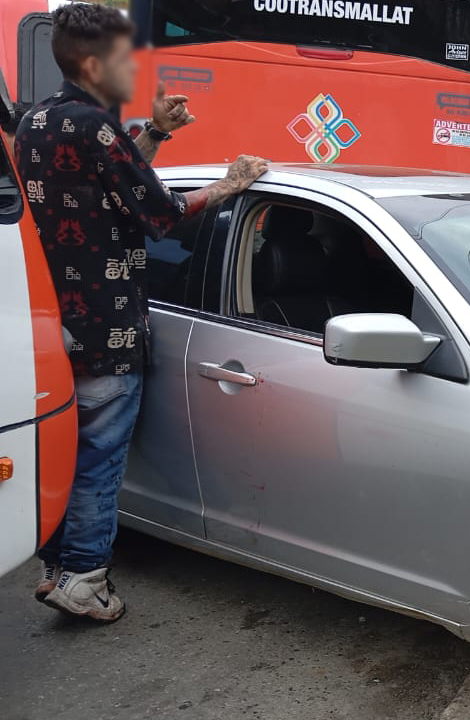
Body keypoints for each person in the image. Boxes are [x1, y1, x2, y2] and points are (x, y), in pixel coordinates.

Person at [14, 3, 268, 622]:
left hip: (52, 326)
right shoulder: (96, 128)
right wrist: (231, 184)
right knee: (99, 463)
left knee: (59, 456)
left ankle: (55, 569)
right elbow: (158, 214)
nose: (135, 70)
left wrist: (154, 132)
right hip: (107, 329)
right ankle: (84, 581)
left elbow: (107, 188)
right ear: (94, 64)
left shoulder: (35, 123)